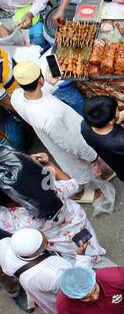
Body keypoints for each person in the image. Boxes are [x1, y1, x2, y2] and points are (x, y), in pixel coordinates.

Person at [7, 62, 110, 207]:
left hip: (58, 135)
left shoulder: (16, 96)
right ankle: (81, 192)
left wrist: (50, 83)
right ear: (40, 80)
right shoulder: (49, 117)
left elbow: (38, 96)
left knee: (78, 166)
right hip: (73, 143)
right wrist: (92, 157)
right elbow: (70, 144)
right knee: (80, 170)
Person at [0, 228, 87, 314]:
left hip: (35, 287)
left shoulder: (4, 244)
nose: (47, 238)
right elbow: (77, 285)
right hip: (65, 298)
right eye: (44, 241)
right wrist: (82, 257)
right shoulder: (53, 274)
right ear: (34, 253)